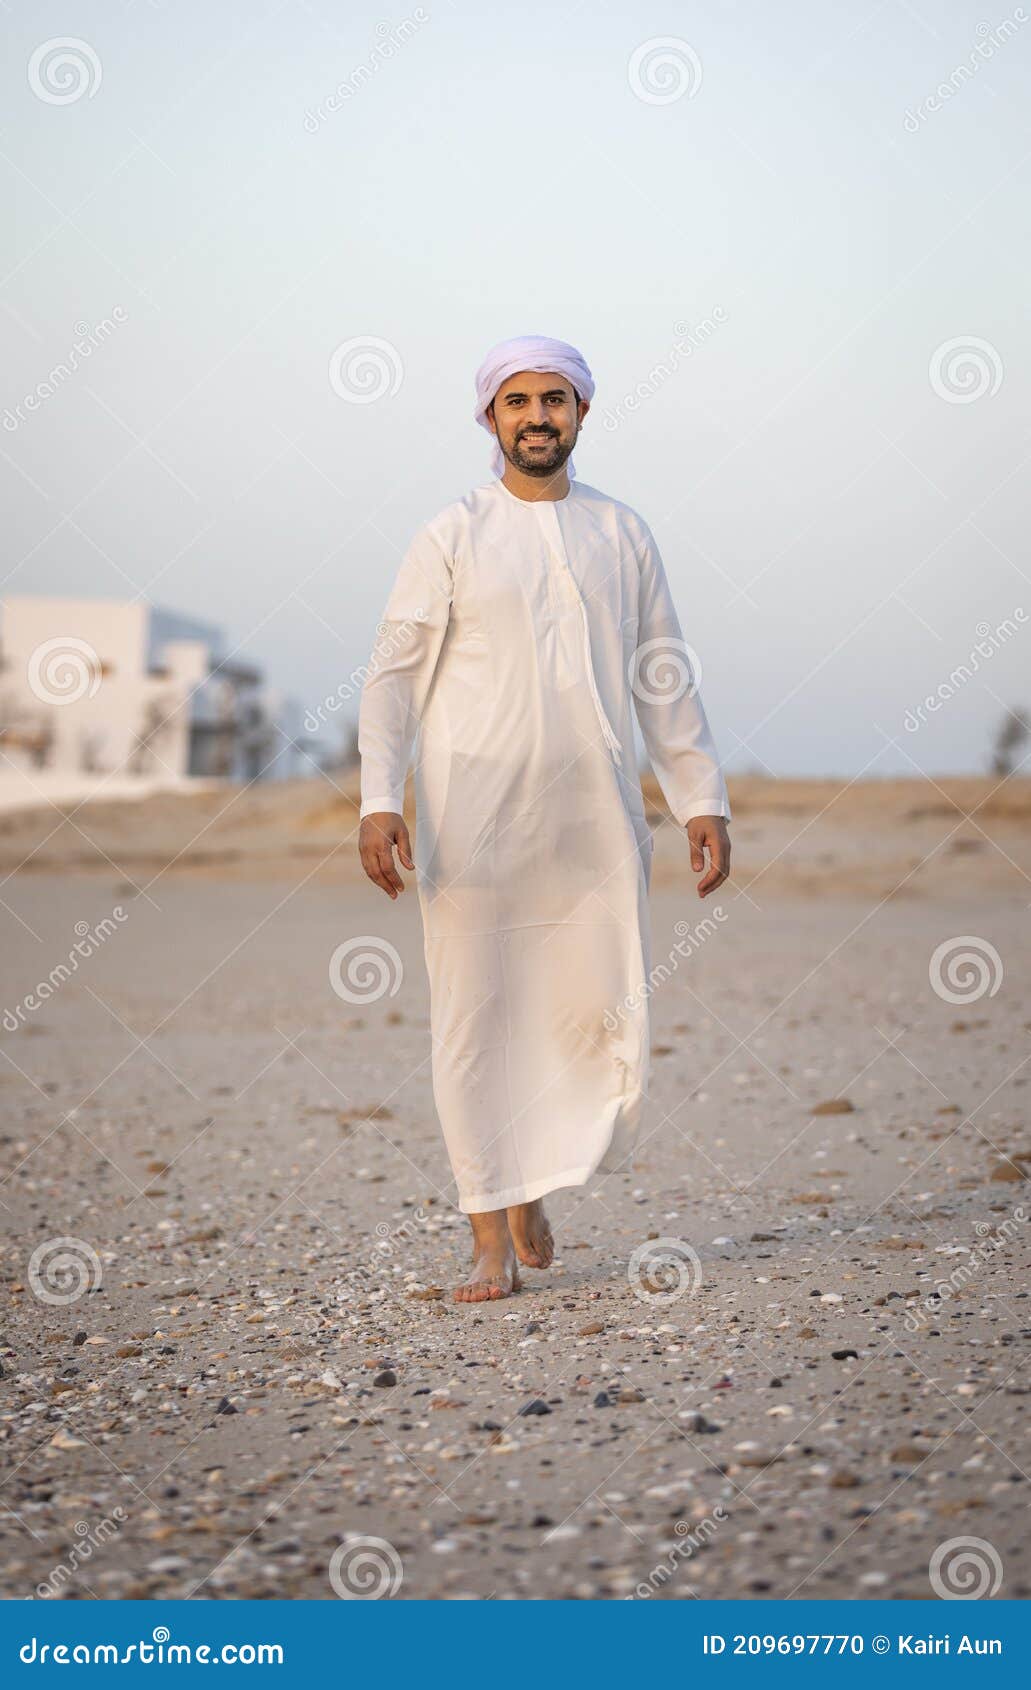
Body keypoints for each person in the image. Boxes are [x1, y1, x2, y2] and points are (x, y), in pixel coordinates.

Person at [357, 334, 731, 1303]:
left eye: (553, 399)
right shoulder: (452, 531)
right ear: (490, 418)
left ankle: (536, 1180)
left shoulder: (622, 532)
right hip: (470, 820)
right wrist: (377, 797)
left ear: (581, 413)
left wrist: (698, 797)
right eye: (517, 401)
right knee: (474, 1021)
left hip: (593, 823)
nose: (536, 416)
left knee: (586, 1016)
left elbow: (663, 672)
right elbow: (392, 675)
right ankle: (488, 1233)